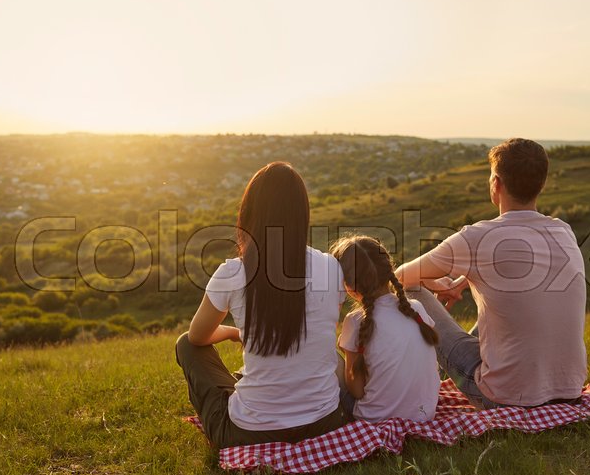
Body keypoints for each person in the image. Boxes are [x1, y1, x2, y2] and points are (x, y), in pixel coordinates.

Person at [395, 138, 587, 409]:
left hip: (503, 397)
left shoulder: (477, 237)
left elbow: (400, 276)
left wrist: (434, 283)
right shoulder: (563, 230)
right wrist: (464, 280)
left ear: (495, 183)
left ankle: (407, 378)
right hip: (569, 391)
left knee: (408, 290)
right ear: (541, 184)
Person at [175, 162, 347, 448]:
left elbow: (197, 337)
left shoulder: (233, 273)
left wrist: (232, 332)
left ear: (250, 213)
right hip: (325, 422)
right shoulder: (331, 267)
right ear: (301, 214)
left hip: (249, 434)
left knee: (185, 344)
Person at [330, 235, 440, 423]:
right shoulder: (416, 308)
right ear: (389, 269)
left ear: (348, 286)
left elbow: (356, 390)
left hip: (374, 419)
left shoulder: (354, 321)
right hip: (424, 414)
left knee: (328, 354)